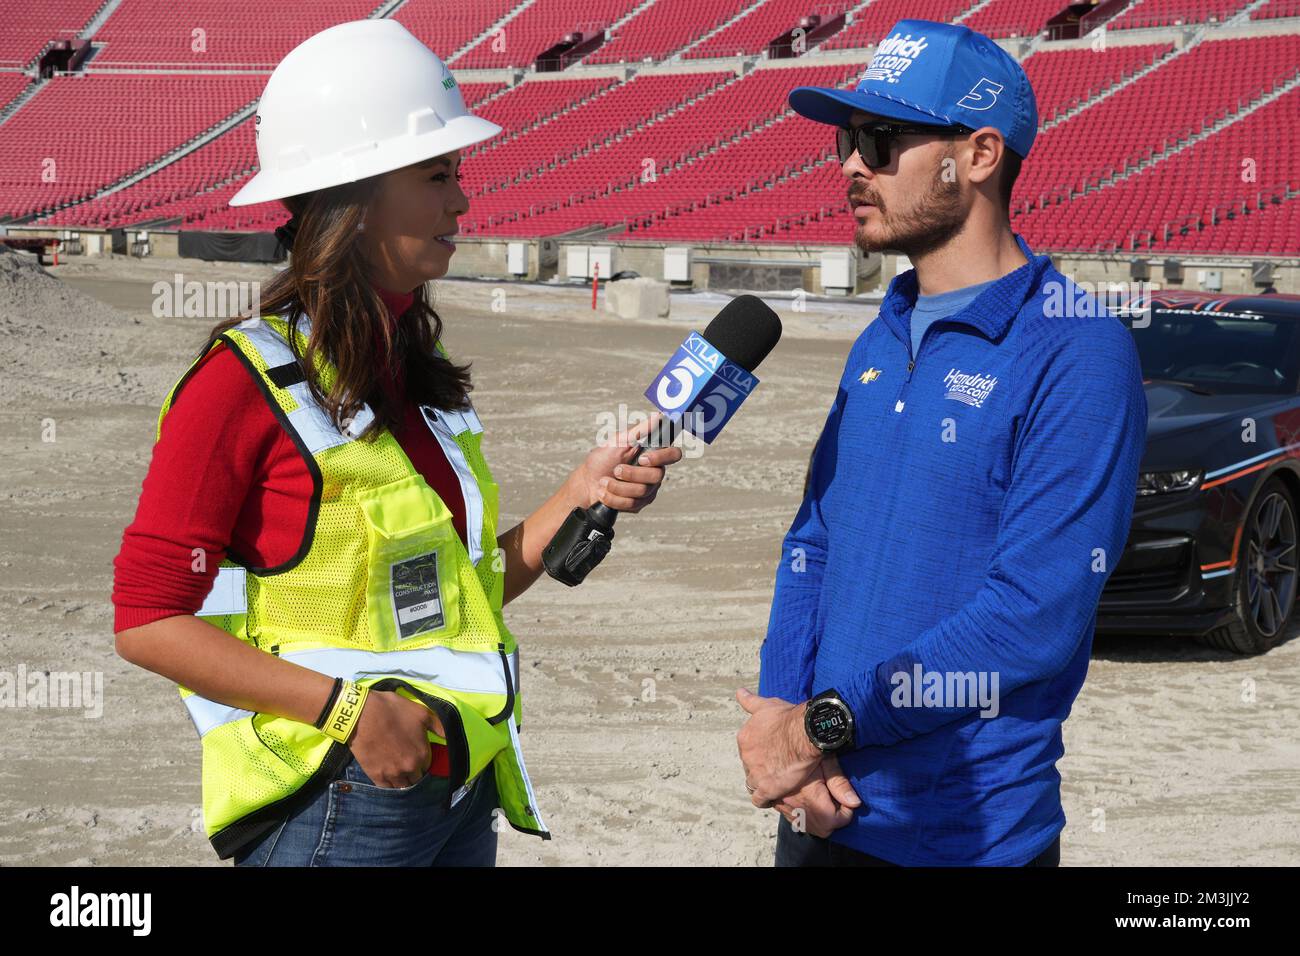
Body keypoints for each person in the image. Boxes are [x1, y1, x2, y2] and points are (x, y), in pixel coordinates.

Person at [111, 19, 681, 867]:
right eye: (437, 174)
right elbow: (146, 620)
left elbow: (460, 599)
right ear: (356, 193)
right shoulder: (239, 383)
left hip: (454, 785)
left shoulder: (417, 364)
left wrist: (578, 494)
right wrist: (351, 713)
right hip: (342, 797)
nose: (461, 201)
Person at [735, 19, 1147, 866]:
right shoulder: (883, 332)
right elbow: (815, 540)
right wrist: (781, 713)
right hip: (818, 811)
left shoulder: (1076, 348)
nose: (851, 164)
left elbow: (1029, 618)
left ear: (981, 155)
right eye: (850, 139)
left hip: (964, 837)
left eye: (881, 141)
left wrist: (819, 727)